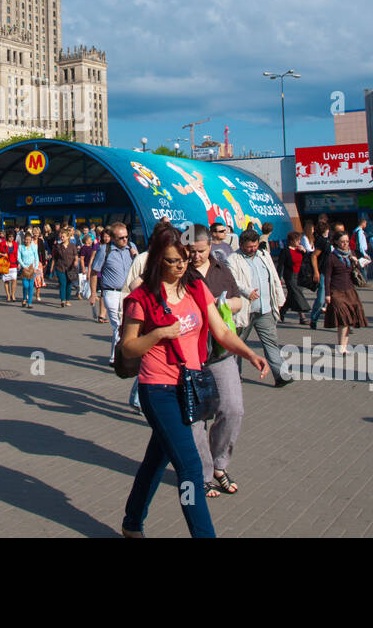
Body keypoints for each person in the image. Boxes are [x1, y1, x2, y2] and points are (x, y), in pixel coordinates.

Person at [118, 225, 270, 538]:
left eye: (184, 260)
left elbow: (222, 331)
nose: (180, 266)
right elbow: (128, 347)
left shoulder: (195, 287)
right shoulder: (141, 298)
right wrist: (157, 334)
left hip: (188, 385)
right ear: (158, 259)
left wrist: (251, 354)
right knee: (189, 469)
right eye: (173, 261)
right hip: (157, 388)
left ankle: (131, 523)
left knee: (155, 460)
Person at [184, 225, 249, 497]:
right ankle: (204, 472)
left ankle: (220, 463)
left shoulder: (222, 270)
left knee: (233, 408)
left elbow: (238, 301)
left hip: (220, 350)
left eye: (199, 251)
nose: (195, 256)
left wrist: (221, 305)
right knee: (196, 419)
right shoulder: (178, 271)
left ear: (210, 246)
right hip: (189, 354)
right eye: (190, 251)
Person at [229, 226, 291, 386]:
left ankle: (281, 375)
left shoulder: (264, 255)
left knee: (271, 342)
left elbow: (274, 277)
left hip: (265, 309)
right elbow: (233, 280)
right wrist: (248, 291)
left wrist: (278, 297)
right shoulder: (233, 259)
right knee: (238, 345)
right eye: (249, 246)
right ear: (241, 245)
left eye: (255, 245)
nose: (253, 249)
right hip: (246, 310)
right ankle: (235, 376)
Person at [90, 222, 138, 355]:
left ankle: (115, 357)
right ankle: (118, 357)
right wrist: (93, 293)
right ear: (113, 238)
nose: (125, 240)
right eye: (121, 238)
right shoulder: (105, 250)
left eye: (126, 237)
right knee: (119, 325)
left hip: (129, 291)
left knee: (128, 325)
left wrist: (135, 255)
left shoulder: (131, 247)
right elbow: (94, 272)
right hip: (112, 292)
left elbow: (140, 267)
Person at [322, 231, 368, 354]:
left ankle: (344, 346)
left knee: (349, 320)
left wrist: (356, 262)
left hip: (350, 290)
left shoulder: (351, 254)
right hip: (336, 291)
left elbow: (358, 271)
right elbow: (327, 277)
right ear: (336, 242)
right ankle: (340, 346)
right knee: (343, 319)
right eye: (342, 241)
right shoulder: (331, 257)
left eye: (347, 241)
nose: (345, 244)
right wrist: (327, 294)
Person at [276, 230, 309, 325]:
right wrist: (278, 277)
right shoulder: (285, 251)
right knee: (297, 294)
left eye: (299, 240)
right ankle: (302, 317)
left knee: (292, 296)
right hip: (290, 276)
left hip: (299, 276)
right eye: (297, 240)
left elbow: (306, 262)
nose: (299, 242)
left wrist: (304, 252)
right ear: (291, 241)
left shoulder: (300, 250)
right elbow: (280, 265)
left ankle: (282, 311)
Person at [50, 227, 79, 308]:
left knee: (69, 284)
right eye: (61, 237)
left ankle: (67, 300)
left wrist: (76, 261)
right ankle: (62, 300)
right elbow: (54, 258)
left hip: (70, 268)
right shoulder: (58, 246)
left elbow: (76, 255)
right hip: (60, 267)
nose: (62, 238)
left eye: (63, 237)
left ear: (68, 237)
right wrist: (52, 267)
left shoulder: (72, 246)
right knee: (63, 283)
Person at [16, 230, 40, 308]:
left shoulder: (33, 246)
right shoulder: (21, 247)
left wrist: (36, 267)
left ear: (31, 240)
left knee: (30, 286)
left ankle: (29, 302)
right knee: (25, 285)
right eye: (26, 240)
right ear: (24, 239)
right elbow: (18, 257)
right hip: (24, 268)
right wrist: (23, 265)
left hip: (32, 267)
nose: (27, 241)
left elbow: (36, 257)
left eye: (29, 240)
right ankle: (24, 298)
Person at [0, 229, 19, 302]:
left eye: (13, 237)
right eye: (10, 236)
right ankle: (8, 295)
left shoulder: (15, 244)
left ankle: (13, 294)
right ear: (7, 236)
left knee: (14, 280)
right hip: (5, 264)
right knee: (6, 281)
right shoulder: (2, 243)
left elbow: (16, 254)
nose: (11, 238)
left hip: (13, 264)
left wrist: (18, 263)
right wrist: (3, 254)